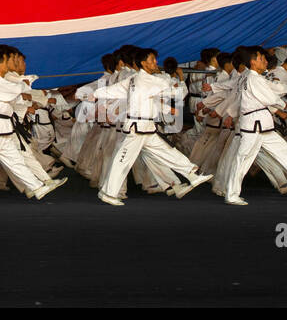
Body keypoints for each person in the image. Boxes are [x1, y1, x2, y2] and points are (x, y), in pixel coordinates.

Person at [85, 47, 211, 206]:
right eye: (152, 60)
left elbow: (114, 91)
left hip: (145, 127)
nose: (155, 63)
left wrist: (95, 94)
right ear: (144, 63)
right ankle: (108, 193)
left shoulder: (135, 79)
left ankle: (191, 173)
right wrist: (178, 78)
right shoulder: (150, 80)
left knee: (165, 151)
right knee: (122, 160)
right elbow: (176, 93)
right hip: (138, 128)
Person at [0, 45, 64, 208]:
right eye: (9, 60)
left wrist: (25, 80)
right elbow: (17, 89)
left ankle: (37, 187)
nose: (11, 64)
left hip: (3, 127)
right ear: (0, 64)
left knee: (16, 161)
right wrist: (27, 80)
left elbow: (16, 87)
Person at [222, 45, 287, 205]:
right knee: (243, 159)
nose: (265, 61)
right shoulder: (252, 78)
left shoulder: (252, 77)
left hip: (261, 125)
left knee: (284, 149)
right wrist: (282, 104)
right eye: (262, 59)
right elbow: (269, 97)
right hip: (254, 125)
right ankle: (231, 194)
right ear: (253, 62)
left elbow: (272, 87)